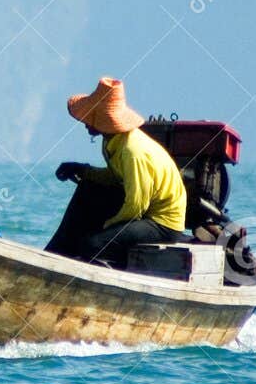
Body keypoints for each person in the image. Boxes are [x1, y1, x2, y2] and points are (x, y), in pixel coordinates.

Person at [44, 76, 189, 266]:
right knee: (87, 190)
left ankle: (106, 269)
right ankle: (56, 253)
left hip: (161, 224)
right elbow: (114, 178)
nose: (86, 123)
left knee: (92, 245)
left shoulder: (132, 152)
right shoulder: (112, 141)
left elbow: (136, 206)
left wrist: (107, 226)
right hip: (142, 210)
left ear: (103, 121)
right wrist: (83, 170)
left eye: (90, 118)